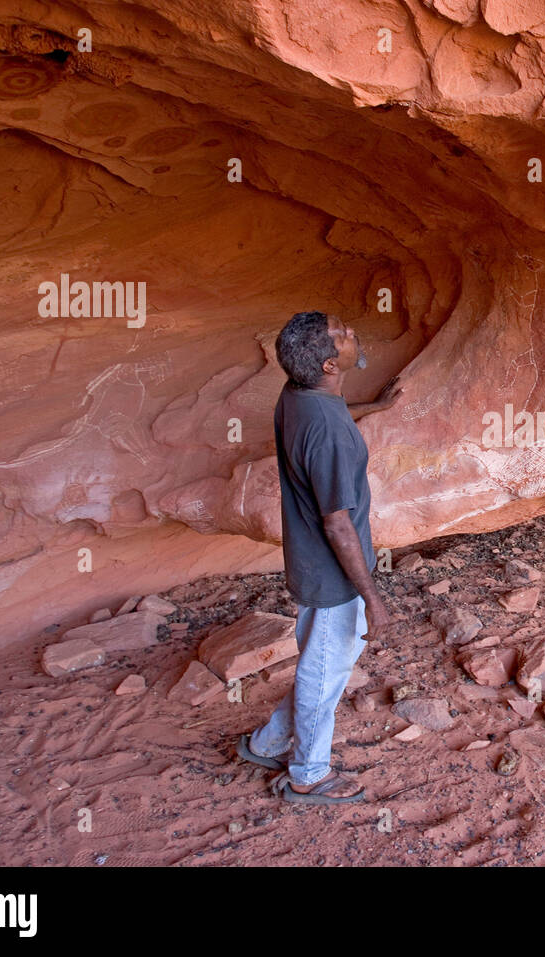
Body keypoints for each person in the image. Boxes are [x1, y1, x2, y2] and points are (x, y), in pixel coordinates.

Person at [236, 310, 402, 804]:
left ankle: (266, 743)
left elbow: (329, 415)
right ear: (331, 365)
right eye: (342, 333)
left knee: (323, 663)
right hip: (333, 577)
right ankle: (308, 774)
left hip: (312, 564)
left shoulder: (299, 395)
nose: (350, 331)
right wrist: (372, 598)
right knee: (323, 672)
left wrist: (374, 404)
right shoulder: (327, 432)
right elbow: (337, 522)